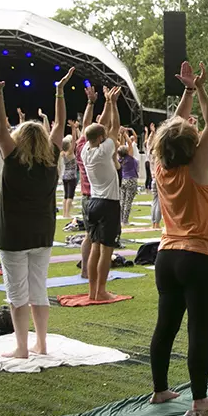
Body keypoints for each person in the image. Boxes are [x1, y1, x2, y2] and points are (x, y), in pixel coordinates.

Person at [147, 61, 208, 416]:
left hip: (166, 256)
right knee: (199, 329)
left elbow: (171, 130)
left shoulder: (160, 165)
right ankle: (199, 401)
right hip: (198, 258)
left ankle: (160, 390)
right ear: (192, 143)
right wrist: (203, 90)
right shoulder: (199, 165)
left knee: (166, 326)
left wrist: (188, 92)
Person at [0, 68, 70, 358]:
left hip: (13, 235)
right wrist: (59, 91)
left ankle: (22, 347)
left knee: (17, 294)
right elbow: (59, 123)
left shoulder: (11, 157)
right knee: (38, 290)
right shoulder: (52, 158)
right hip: (42, 232)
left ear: (19, 139)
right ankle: (42, 344)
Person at [81, 85, 123, 301]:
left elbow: (96, 128)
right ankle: (102, 291)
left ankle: (92, 292)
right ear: (100, 138)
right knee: (106, 250)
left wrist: (106, 103)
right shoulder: (104, 150)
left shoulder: (85, 150)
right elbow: (115, 126)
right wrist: (113, 104)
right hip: (108, 204)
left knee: (95, 247)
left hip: (93, 202)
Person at [73, 85, 99, 279]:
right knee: (98, 238)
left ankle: (85, 270)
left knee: (89, 235)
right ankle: (92, 271)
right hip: (97, 197)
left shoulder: (80, 146)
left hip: (85, 196)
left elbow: (86, 126)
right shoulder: (99, 152)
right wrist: (108, 104)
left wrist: (91, 103)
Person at [118, 128, 140, 225]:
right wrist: (124, 134)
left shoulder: (120, 159)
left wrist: (121, 135)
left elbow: (121, 146)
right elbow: (130, 144)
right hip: (131, 180)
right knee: (128, 202)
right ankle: (125, 221)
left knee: (122, 201)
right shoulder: (130, 158)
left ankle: (120, 219)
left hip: (124, 180)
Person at [60, 135, 78, 218]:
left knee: (65, 196)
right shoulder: (70, 153)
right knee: (70, 196)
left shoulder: (62, 153)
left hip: (65, 176)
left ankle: (64, 213)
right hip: (71, 176)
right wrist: (74, 129)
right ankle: (67, 214)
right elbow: (74, 141)